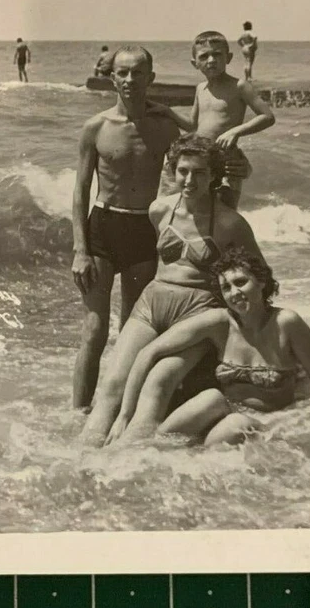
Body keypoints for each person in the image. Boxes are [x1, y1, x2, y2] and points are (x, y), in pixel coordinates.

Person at [78, 133, 263, 446]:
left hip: (198, 311)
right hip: (152, 304)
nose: (190, 180)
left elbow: (258, 274)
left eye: (200, 172)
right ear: (173, 171)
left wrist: (248, 329)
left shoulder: (230, 223)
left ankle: (124, 461)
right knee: (112, 385)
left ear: (214, 176)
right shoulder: (160, 210)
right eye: (183, 171)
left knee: (159, 382)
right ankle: (80, 457)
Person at [108, 246, 310, 446]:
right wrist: (124, 416)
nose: (234, 293)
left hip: (271, 423)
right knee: (208, 401)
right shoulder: (220, 322)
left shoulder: (286, 323)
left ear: (261, 282)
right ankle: (140, 459)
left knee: (234, 424)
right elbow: (149, 352)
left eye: (241, 282)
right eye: (226, 287)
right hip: (224, 413)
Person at [71, 46, 185, 412]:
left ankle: (119, 410)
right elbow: (80, 191)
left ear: (151, 78)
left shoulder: (166, 126)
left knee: (132, 332)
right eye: (122, 73)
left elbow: (194, 162)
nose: (130, 80)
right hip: (103, 227)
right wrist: (80, 249)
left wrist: (175, 114)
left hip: (144, 231)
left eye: (138, 73)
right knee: (94, 331)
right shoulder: (97, 127)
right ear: (112, 78)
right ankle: (77, 411)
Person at [170, 30, 276, 210]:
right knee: (200, 207)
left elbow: (267, 116)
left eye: (217, 54)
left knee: (224, 208)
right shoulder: (200, 88)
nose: (211, 60)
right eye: (204, 56)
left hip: (226, 158)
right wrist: (167, 112)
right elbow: (193, 126)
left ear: (228, 57)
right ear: (195, 63)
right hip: (203, 158)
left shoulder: (239, 86)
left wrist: (235, 131)